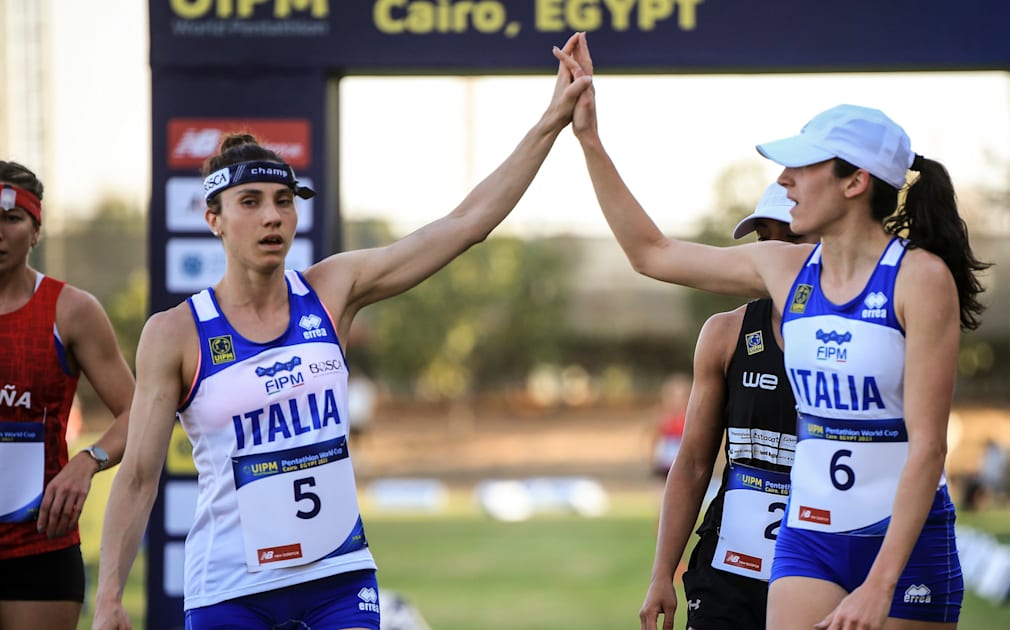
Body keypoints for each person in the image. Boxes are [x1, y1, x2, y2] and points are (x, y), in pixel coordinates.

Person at [91, 34, 591, 630]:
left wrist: (553, 120)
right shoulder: (175, 333)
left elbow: (465, 224)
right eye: (250, 202)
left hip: (339, 579)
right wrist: (110, 598)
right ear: (214, 220)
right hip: (230, 589)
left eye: (283, 200)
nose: (273, 215)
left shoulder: (332, 291)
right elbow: (141, 476)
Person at [555, 33, 988, 629]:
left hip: (902, 547)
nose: (784, 180)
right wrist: (589, 138)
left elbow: (929, 447)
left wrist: (879, 584)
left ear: (855, 181)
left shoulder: (920, 280)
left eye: (802, 166)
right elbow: (650, 252)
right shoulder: (782, 268)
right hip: (808, 541)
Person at [639, 182, 816, 630]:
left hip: (821, 571)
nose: (772, 251)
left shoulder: (861, 340)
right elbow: (695, 462)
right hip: (728, 572)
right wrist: (662, 572)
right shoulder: (725, 333)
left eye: (789, 237)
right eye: (763, 238)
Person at [0, 161, 134, 630]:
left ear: (36, 230)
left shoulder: (71, 311)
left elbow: (138, 412)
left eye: (12, 219)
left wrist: (88, 460)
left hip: (40, 547)